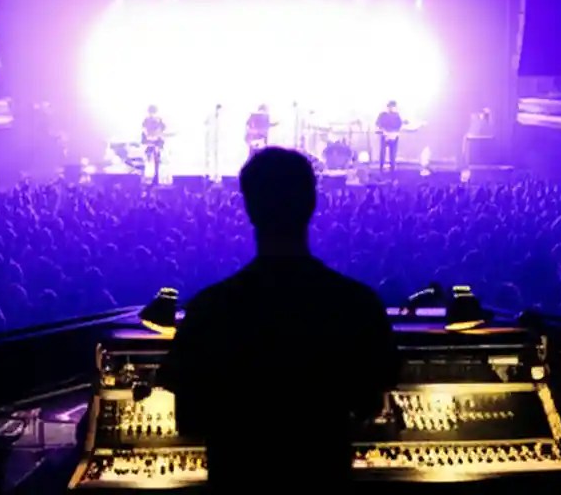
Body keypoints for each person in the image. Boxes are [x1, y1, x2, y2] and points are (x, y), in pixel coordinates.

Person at [161, 148, 398, 492]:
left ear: (249, 209)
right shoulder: (357, 304)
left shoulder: (211, 308)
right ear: (312, 204)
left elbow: (191, 420)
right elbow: (371, 405)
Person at [375, 100, 403, 173]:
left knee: (393, 153)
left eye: (393, 106)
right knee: (383, 152)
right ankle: (381, 167)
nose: (391, 108)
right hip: (384, 135)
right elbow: (378, 124)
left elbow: (399, 126)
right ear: (388, 107)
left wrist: (394, 133)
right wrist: (384, 131)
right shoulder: (383, 115)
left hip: (394, 136)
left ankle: (392, 168)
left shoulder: (397, 116)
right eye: (390, 106)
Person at [141, 105, 167, 185]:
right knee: (151, 161)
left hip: (155, 142)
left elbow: (163, 129)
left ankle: (156, 177)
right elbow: (144, 130)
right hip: (151, 142)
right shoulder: (148, 120)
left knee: (156, 161)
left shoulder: (158, 120)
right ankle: (153, 177)